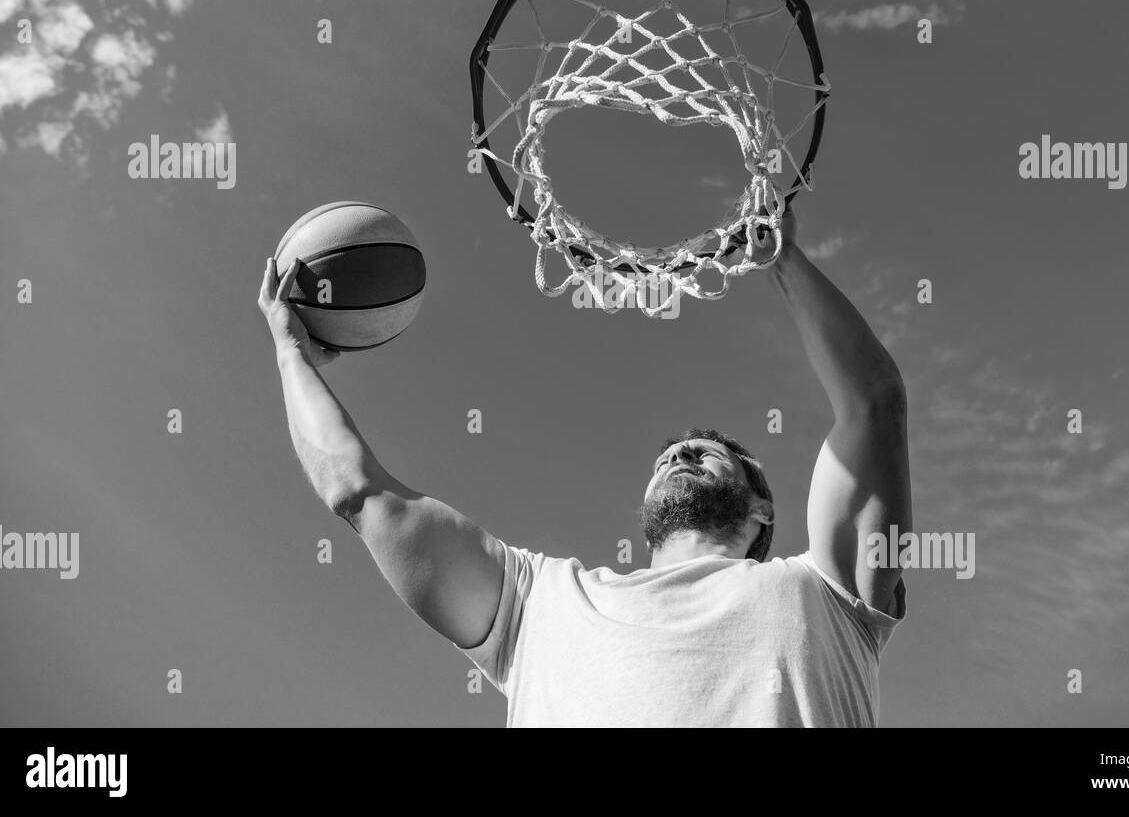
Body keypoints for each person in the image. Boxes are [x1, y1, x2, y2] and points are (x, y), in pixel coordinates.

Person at [258, 209, 910, 726]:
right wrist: (290, 351)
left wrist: (781, 261)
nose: (681, 454)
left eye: (712, 453)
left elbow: (873, 404)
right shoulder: (537, 604)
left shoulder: (829, 593)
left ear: (764, 510)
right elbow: (360, 492)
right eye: (668, 456)